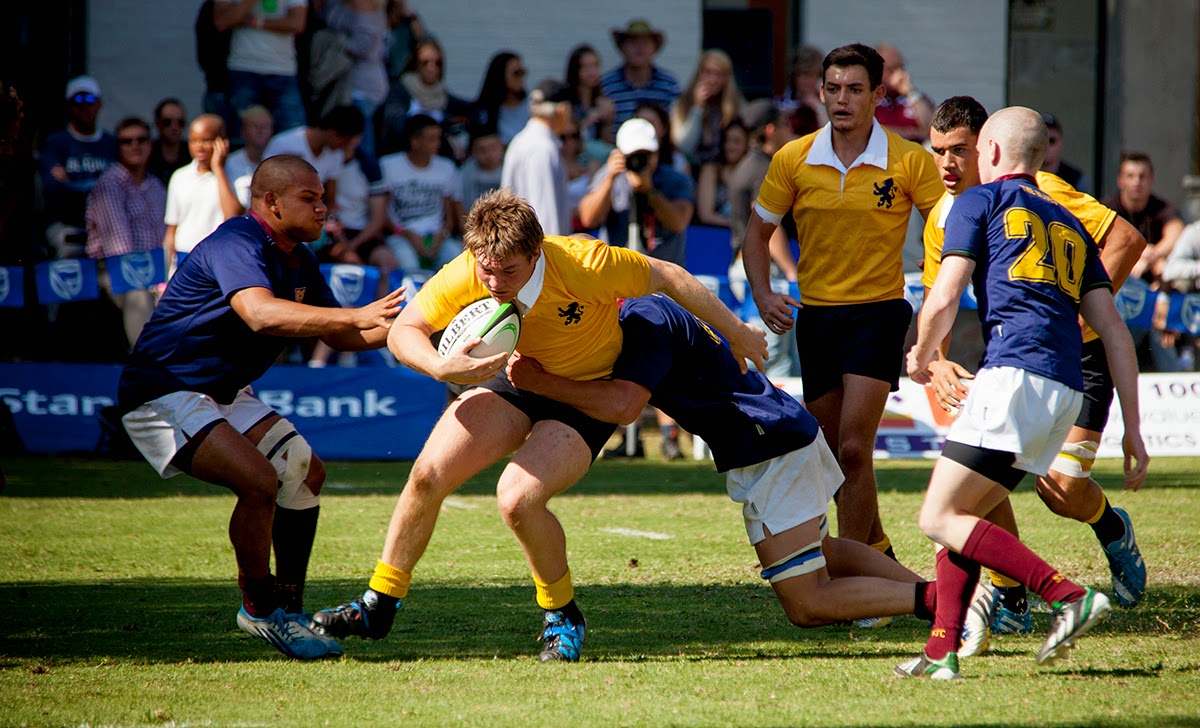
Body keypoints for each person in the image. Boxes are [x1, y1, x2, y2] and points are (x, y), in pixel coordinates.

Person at [311, 188, 768, 662]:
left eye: (508, 271)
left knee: (517, 501)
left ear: (536, 252)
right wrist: (439, 367)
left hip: (584, 393)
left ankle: (562, 615)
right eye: (487, 268)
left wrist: (737, 333)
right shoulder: (470, 269)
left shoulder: (584, 263)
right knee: (428, 473)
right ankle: (378, 603)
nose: (494, 281)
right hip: (518, 379)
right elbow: (405, 330)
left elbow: (668, 274)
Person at [118, 154, 406, 659]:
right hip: (164, 389)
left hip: (221, 393)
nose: (324, 209)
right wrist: (358, 313)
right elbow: (259, 313)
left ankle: (289, 613)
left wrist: (424, 336)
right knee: (258, 481)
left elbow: (343, 331)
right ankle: (258, 610)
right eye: (310, 199)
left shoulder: (298, 255)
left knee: (304, 469)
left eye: (322, 198)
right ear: (270, 202)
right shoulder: (238, 241)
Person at [510, 293, 940, 628]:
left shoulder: (641, 320)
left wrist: (541, 382)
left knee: (807, 603)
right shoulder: (644, 309)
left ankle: (941, 601)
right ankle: (940, 592)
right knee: (824, 551)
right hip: (780, 434)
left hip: (772, 447)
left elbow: (624, 406)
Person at [898, 106, 1148, 679]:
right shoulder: (1070, 223)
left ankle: (1064, 595)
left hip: (1014, 373)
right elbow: (1114, 332)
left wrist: (920, 353)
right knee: (965, 513)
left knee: (938, 516)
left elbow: (945, 292)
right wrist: (1134, 428)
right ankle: (941, 655)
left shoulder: (975, 202)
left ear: (987, 151)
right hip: (1061, 390)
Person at [742, 44, 943, 560]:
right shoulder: (794, 157)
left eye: (855, 89)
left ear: (878, 94)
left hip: (878, 314)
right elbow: (756, 234)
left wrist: (935, 304)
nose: (842, 99)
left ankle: (858, 579)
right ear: (820, 91)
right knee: (833, 457)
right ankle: (877, 552)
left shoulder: (909, 159)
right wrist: (764, 294)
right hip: (817, 319)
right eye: (832, 88)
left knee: (855, 448)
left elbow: (948, 231)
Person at [727, 100, 799, 380]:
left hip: (750, 268)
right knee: (775, 358)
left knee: (774, 353)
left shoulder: (749, 163)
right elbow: (768, 226)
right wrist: (791, 271)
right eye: (784, 125)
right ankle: (775, 422)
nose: (788, 130)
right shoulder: (762, 167)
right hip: (765, 269)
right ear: (771, 130)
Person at [85, 116, 168, 350]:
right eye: (127, 141)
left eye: (141, 139)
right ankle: (149, 364)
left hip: (157, 269)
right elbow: (120, 248)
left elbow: (167, 235)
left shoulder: (156, 185)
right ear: (118, 147)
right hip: (113, 269)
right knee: (138, 296)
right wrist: (155, 283)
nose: (135, 145)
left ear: (150, 145)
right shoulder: (109, 184)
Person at [1102, 151, 1186, 371]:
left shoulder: (1160, 208)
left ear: (1151, 179)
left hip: (1156, 291)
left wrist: (1150, 256)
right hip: (1120, 290)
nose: (1136, 182)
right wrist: (1135, 258)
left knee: (1159, 306)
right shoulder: (1108, 208)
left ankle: (1170, 379)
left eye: (1142, 176)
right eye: (1130, 176)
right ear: (1120, 180)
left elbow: (1176, 232)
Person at [40, 76, 118, 259]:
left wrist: (71, 183)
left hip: (108, 226)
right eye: (78, 100)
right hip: (67, 224)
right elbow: (52, 189)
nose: (84, 106)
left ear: (99, 104)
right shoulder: (56, 143)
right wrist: (100, 186)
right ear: (69, 106)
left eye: (90, 99)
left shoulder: (110, 143)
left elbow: (119, 188)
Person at [379, 113, 463, 272]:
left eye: (438, 138)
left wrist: (442, 235)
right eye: (431, 139)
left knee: (456, 261)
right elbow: (382, 215)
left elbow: (449, 217)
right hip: (400, 236)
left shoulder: (446, 167)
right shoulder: (389, 165)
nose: (437, 144)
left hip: (437, 237)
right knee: (409, 267)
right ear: (414, 141)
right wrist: (406, 234)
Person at [214, 0, 309, 136]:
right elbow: (222, 21)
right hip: (244, 68)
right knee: (242, 135)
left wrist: (257, 22)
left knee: (293, 134)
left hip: (282, 69)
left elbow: (297, 23)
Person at [163, 114, 243, 268]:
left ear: (222, 142)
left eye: (206, 140)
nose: (198, 147)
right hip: (185, 256)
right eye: (193, 140)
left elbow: (233, 215)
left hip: (218, 257)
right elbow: (172, 228)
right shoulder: (180, 176)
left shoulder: (237, 174)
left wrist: (218, 169)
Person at [262, 104, 366, 214]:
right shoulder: (283, 144)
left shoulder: (336, 155)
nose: (344, 147)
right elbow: (264, 184)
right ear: (333, 133)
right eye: (344, 142)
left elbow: (330, 198)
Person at [380, 38, 473, 160]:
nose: (431, 68)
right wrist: (444, 133)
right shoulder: (401, 90)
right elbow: (398, 125)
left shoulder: (441, 92)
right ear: (415, 64)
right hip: (406, 159)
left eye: (437, 63)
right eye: (425, 62)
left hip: (439, 161)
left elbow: (473, 108)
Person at [500, 79, 573, 237]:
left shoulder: (520, 140)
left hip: (522, 248)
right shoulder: (543, 148)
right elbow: (545, 214)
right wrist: (554, 259)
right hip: (538, 251)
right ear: (562, 110)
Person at [322, 0, 389, 158]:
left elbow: (363, 43)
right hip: (346, 81)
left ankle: (374, 181)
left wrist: (337, 50)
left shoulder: (364, 5)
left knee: (359, 143)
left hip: (363, 84)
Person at [670, 49, 744, 168]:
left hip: (725, 169)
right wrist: (697, 109)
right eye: (708, 73)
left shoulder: (736, 105)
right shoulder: (683, 104)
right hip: (690, 168)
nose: (713, 80)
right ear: (699, 74)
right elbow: (684, 147)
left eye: (719, 75)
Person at [600, 19, 682, 127]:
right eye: (633, 42)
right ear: (622, 47)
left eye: (645, 42)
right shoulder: (606, 86)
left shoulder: (669, 85)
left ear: (654, 48)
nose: (639, 48)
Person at [873, 43, 933, 143]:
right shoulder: (869, 98)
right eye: (891, 69)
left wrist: (911, 93)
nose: (899, 74)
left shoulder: (916, 98)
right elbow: (867, 130)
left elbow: (932, 130)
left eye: (901, 67)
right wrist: (908, 133)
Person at [694, 119, 748, 228]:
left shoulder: (753, 173)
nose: (730, 146)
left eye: (736, 142)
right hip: (714, 235)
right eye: (727, 140)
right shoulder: (711, 170)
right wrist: (737, 226)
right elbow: (705, 215)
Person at [564, 44, 616, 149]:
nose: (591, 72)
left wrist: (609, 120)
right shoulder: (565, 101)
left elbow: (607, 142)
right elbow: (565, 136)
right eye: (585, 67)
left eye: (595, 66)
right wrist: (590, 119)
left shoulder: (601, 99)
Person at [473, 51, 530, 146]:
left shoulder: (532, 106)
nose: (521, 78)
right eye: (516, 73)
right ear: (500, 74)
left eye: (523, 72)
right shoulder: (485, 111)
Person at [226, 105, 274, 208]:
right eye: (255, 126)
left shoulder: (277, 163)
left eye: (265, 126)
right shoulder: (229, 163)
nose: (260, 131)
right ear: (243, 131)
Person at [775, 45, 827, 128]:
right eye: (803, 74)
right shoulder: (780, 104)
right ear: (794, 76)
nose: (808, 81)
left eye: (812, 75)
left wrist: (817, 108)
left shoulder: (825, 102)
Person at [1040, 113, 1091, 193]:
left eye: (1051, 140)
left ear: (1061, 142)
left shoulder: (1076, 179)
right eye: (1041, 140)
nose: (1046, 145)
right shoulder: (1025, 176)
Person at [147, 98, 191, 186]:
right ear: (157, 123)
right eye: (167, 122)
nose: (174, 127)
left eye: (180, 122)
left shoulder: (191, 152)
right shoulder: (147, 153)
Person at [459, 125, 504, 212]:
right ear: (473, 152)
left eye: (493, 148)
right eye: (482, 150)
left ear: (501, 146)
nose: (489, 154)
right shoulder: (466, 171)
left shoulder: (510, 166)